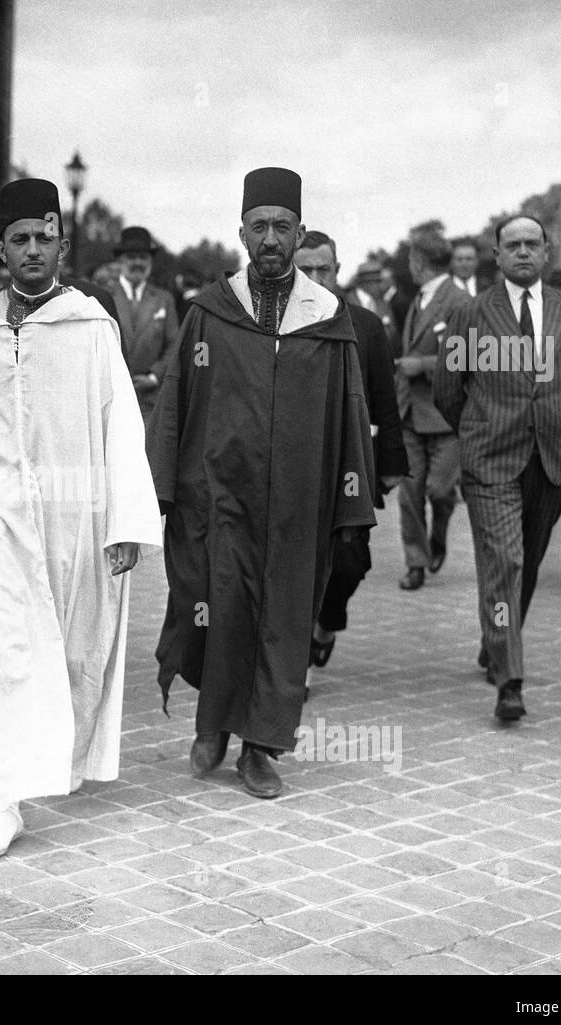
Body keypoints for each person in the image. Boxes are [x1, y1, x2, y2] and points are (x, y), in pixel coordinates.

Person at [0, 177, 161, 861]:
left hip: (70, 519)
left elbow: (122, 428)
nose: (33, 249)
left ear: (61, 239)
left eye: (45, 236)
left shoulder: (90, 326)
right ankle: (2, 799)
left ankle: (49, 764)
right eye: (19, 239)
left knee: (66, 648)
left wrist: (124, 525)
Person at [147, 167, 376, 800]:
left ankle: (259, 747)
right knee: (217, 605)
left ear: (298, 233)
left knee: (283, 617)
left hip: (299, 504)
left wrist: (353, 502)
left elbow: (350, 411)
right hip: (220, 496)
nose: (270, 237)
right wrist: (161, 486)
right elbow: (175, 400)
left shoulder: (327, 318)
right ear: (241, 235)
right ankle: (213, 725)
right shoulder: (210, 313)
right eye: (259, 227)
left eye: (282, 226)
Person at [434, 215, 561, 722]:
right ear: (496, 257)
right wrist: (481, 427)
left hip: (550, 457)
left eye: (532, 244)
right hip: (491, 459)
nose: (523, 253)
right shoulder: (471, 313)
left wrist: (556, 423)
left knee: (529, 561)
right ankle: (510, 680)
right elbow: (446, 389)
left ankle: (495, 641)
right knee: (505, 562)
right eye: (512, 246)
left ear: (546, 253)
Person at [294, 232, 407, 678]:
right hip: (295, 467)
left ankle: (328, 621)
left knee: (349, 562)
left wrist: (393, 463)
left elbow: (385, 396)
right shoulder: (277, 323)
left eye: (324, 268)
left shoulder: (365, 325)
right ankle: (295, 662)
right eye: (306, 269)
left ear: (339, 271)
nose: (315, 278)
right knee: (297, 567)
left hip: (352, 467)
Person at [395, 231, 471, 590]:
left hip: (444, 415)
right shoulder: (420, 299)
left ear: (420, 262)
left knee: (440, 489)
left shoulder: (458, 301)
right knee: (409, 492)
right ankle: (416, 562)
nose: (409, 265)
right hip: (410, 413)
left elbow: (470, 357)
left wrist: (422, 364)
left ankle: (439, 532)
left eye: (412, 259)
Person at [110, 226, 180, 418]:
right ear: (121, 260)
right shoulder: (105, 296)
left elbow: (174, 344)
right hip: (111, 396)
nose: (138, 263)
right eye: (132, 257)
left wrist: (154, 376)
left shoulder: (164, 299)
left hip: (150, 402)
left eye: (143, 257)